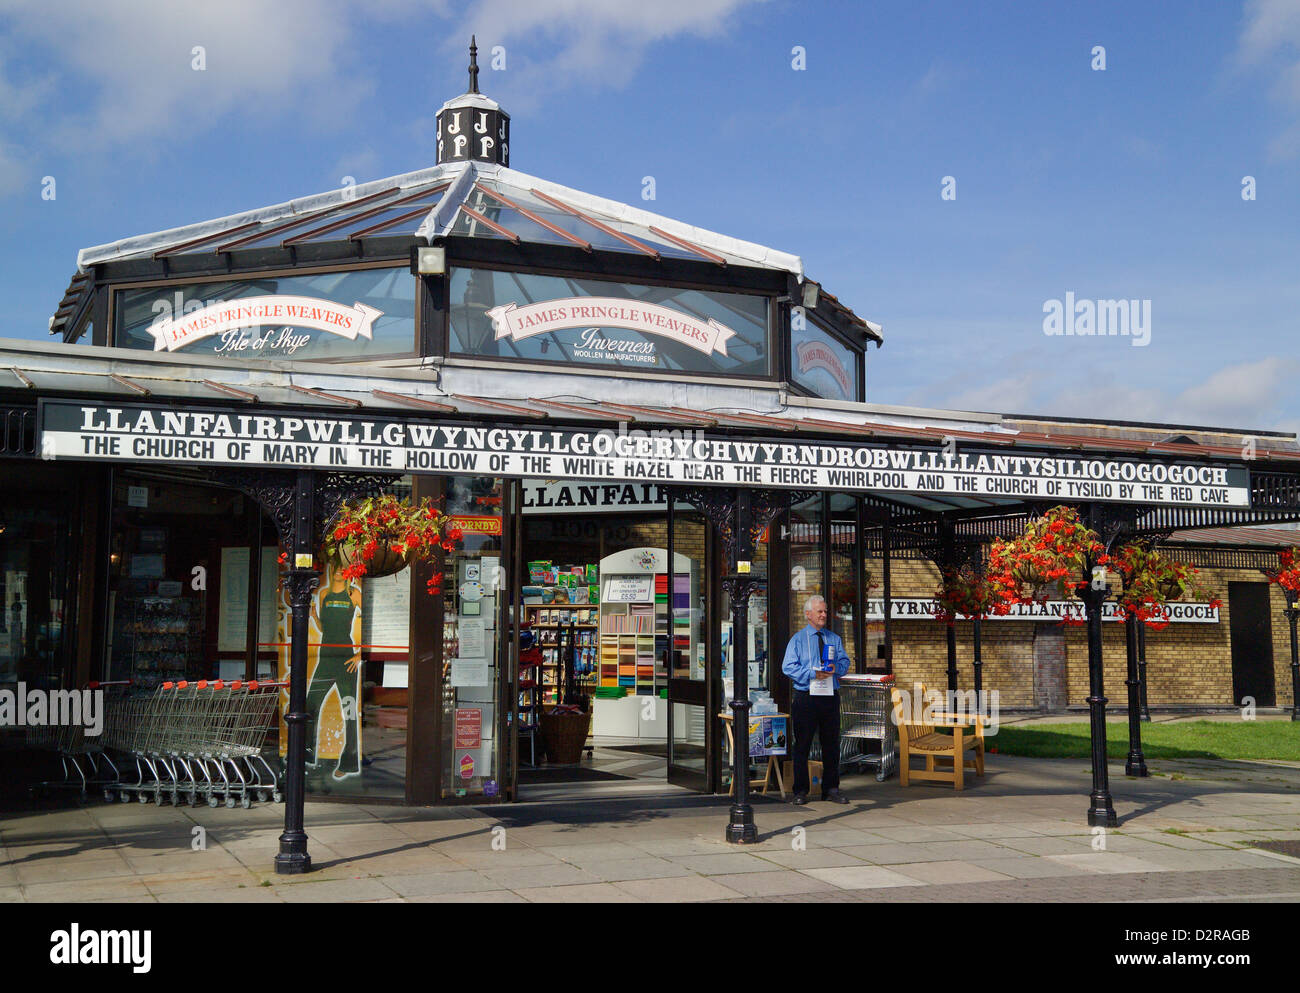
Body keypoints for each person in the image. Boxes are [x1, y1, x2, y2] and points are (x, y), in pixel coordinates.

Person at [782, 594, 851, 805]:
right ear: (808, 614)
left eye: (825, 611)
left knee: (831, 744)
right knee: (802, 744)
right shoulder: (798, 639)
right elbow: (788, 666)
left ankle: (831, 788)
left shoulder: (834, 638)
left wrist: (835, 669)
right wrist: (813, 674)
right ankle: (800, 790)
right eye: (819, 611)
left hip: (829, 696)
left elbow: (845, 661)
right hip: (806, 696)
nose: (823, 615)